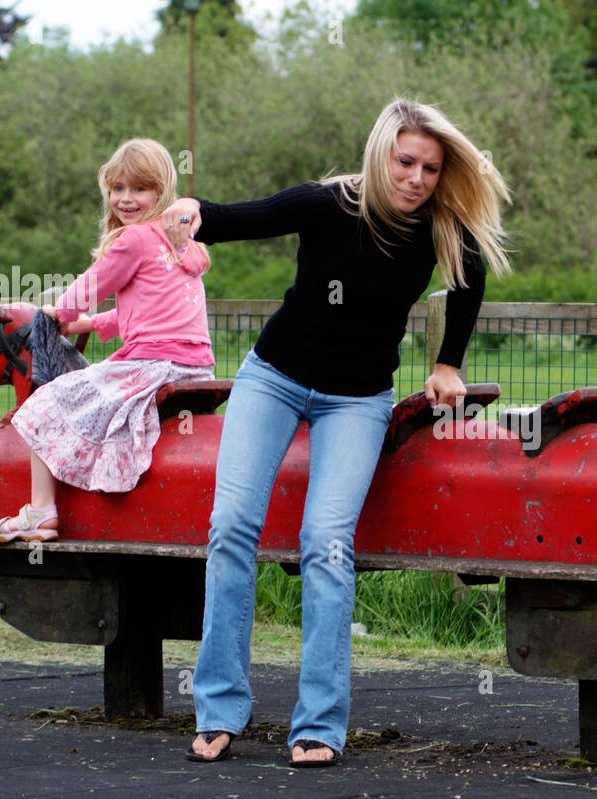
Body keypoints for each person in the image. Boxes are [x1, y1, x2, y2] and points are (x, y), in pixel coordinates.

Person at [163, 99, 511, 765]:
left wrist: (447, 365)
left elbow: (468, 285)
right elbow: (243, 217)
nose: (416, 178)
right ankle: (218, 709)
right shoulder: (328, 203)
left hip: (357, 400)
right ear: (381, 153)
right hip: (274, 377)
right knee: (232, 523)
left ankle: (318, 724)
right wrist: (193, 214)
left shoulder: (444, 227)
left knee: (326, 543)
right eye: (404, 161)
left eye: (430, 169)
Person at [0, 138, 215, 543]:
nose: (126, 199)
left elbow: (93, 283)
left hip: (153, 364)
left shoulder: (135, 239)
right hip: (195, 365)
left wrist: (60, 313)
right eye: (117, 188)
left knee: (44, 405)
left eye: (139, 189)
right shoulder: (180, 245)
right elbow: (144, 313)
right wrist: (87, 325)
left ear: (162, 192)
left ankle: (40, 512)